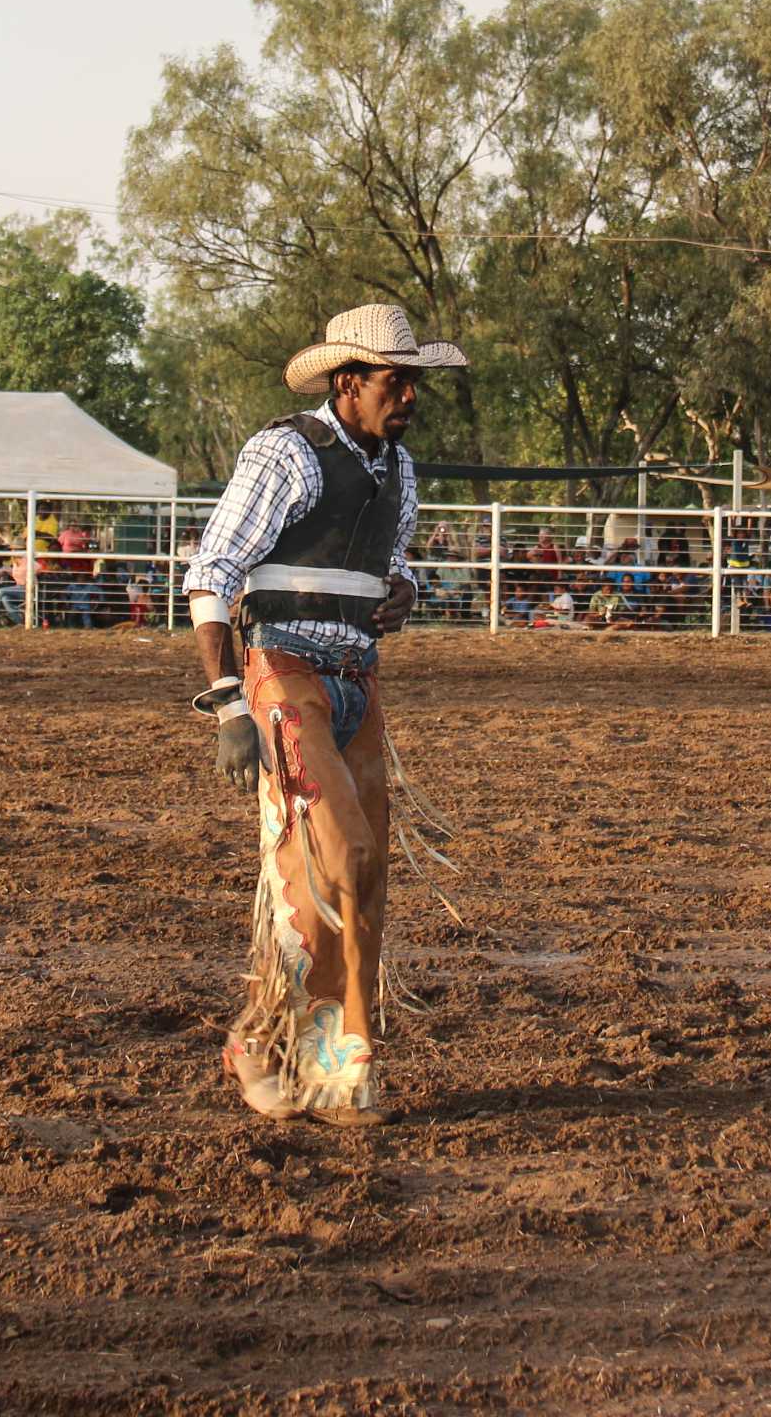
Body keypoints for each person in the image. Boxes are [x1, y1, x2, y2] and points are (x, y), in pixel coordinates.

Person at [186, 302, 465, 1127]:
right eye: (394, 380)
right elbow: (213, 569)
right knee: (338, 853)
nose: (407, 395)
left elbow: (393, 561)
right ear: (348, 381)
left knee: (359, 869)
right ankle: (319, 1058)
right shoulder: (287, 452)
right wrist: (229, 702)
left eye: (413, 381)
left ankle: (285, 1048)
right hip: (285, 674)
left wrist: (402, 591)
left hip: (357, 678)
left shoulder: (397, 468)